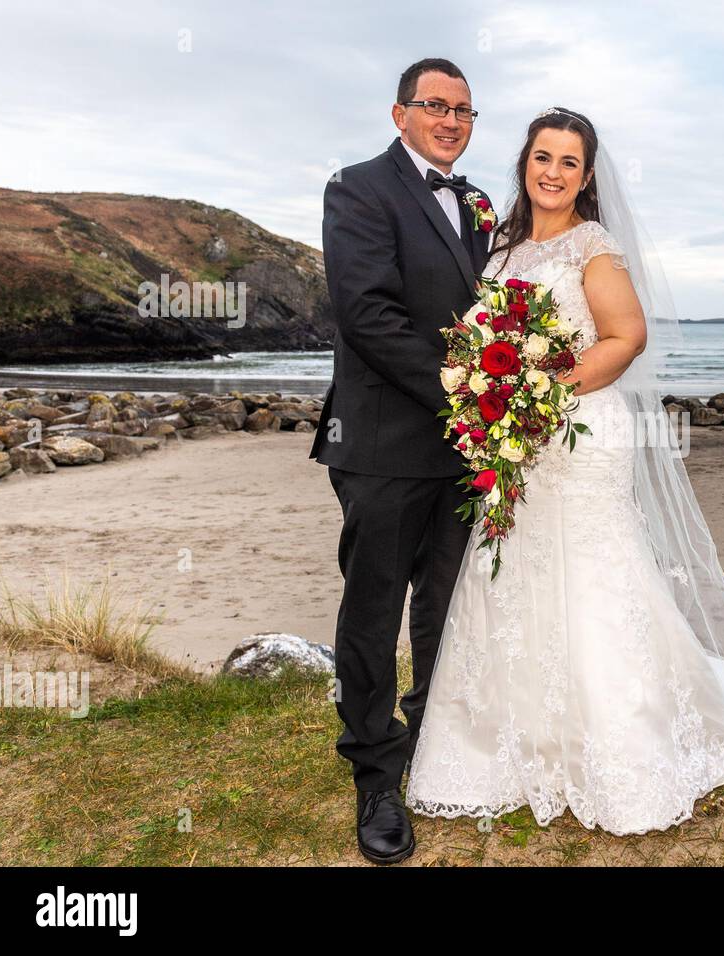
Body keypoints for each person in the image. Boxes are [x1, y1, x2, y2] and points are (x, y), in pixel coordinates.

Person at [404, 106, 724, 837]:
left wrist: (544, 395)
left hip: (579, 434)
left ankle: (624, 749)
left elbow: (626, 336)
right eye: (542, 157)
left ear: (586, 175)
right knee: (512, 572)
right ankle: (507, 749)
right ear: (525, 163)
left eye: (569, 162)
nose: (552, 172)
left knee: (595, 573)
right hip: (517, 441)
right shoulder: (500, 249)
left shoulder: (593, 247)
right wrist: (499, 401)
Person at [311, 57, 495, 865]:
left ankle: (431, 738)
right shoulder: (357, 189)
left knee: (448, 604)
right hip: (384, 441)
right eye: (434, 106)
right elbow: (367, 316)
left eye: (463, 109)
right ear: (400, 114)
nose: (450, 120)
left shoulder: (482, 204)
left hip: (465, 450)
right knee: (375, 609)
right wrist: (468, 396)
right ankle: (375, 777)